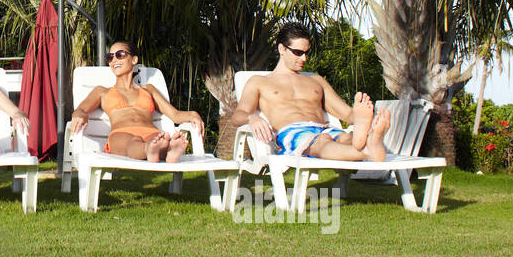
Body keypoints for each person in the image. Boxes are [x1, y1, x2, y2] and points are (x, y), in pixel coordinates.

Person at [230, 21, 390, 161]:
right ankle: (368, 150)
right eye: (298, 53)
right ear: (282, 49)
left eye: (306, 53)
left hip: (325, 129)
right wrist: (253, 118)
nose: (304, 59)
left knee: (345, 137)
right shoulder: (259, 82)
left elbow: (346, 114)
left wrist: (364, 118)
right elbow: (238, 116)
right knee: (320, 142)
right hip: (293, 132)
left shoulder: (316, 80)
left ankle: (367, 142)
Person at [69, 40, 205, 163]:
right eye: (110, 57)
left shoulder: (148, 90)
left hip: (151, 133)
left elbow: (175, 114)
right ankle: (159, 151)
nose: (114, 60)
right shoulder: (102, 92)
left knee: (157, 140)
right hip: (121, 134)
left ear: (134, 60)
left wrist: (193, 114)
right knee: (133, 143)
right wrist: (79, 114)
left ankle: (166, 152)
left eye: (120, 54)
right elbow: (80, 110)